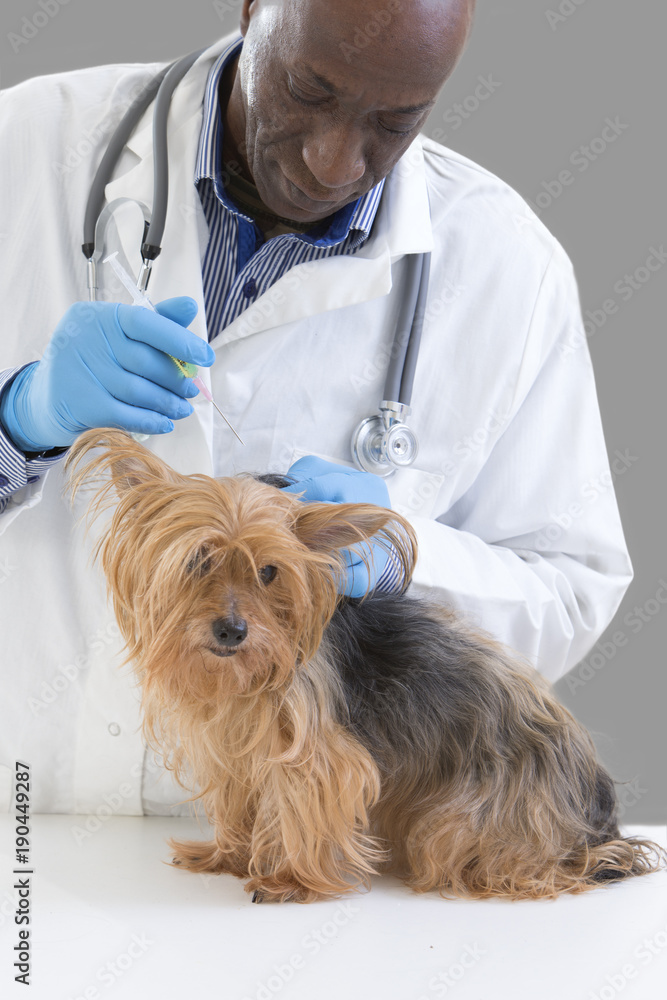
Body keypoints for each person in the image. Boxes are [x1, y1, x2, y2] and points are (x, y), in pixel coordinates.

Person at [0, 0, 632, 816]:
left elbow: (570, 588)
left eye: (394, 122)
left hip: (308, 855)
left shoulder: (509, 266)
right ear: (254, 10)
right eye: (309, 90)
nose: (334, 162)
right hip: (21, 816)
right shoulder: (24, 148)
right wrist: (20, 422)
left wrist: (406, 557)